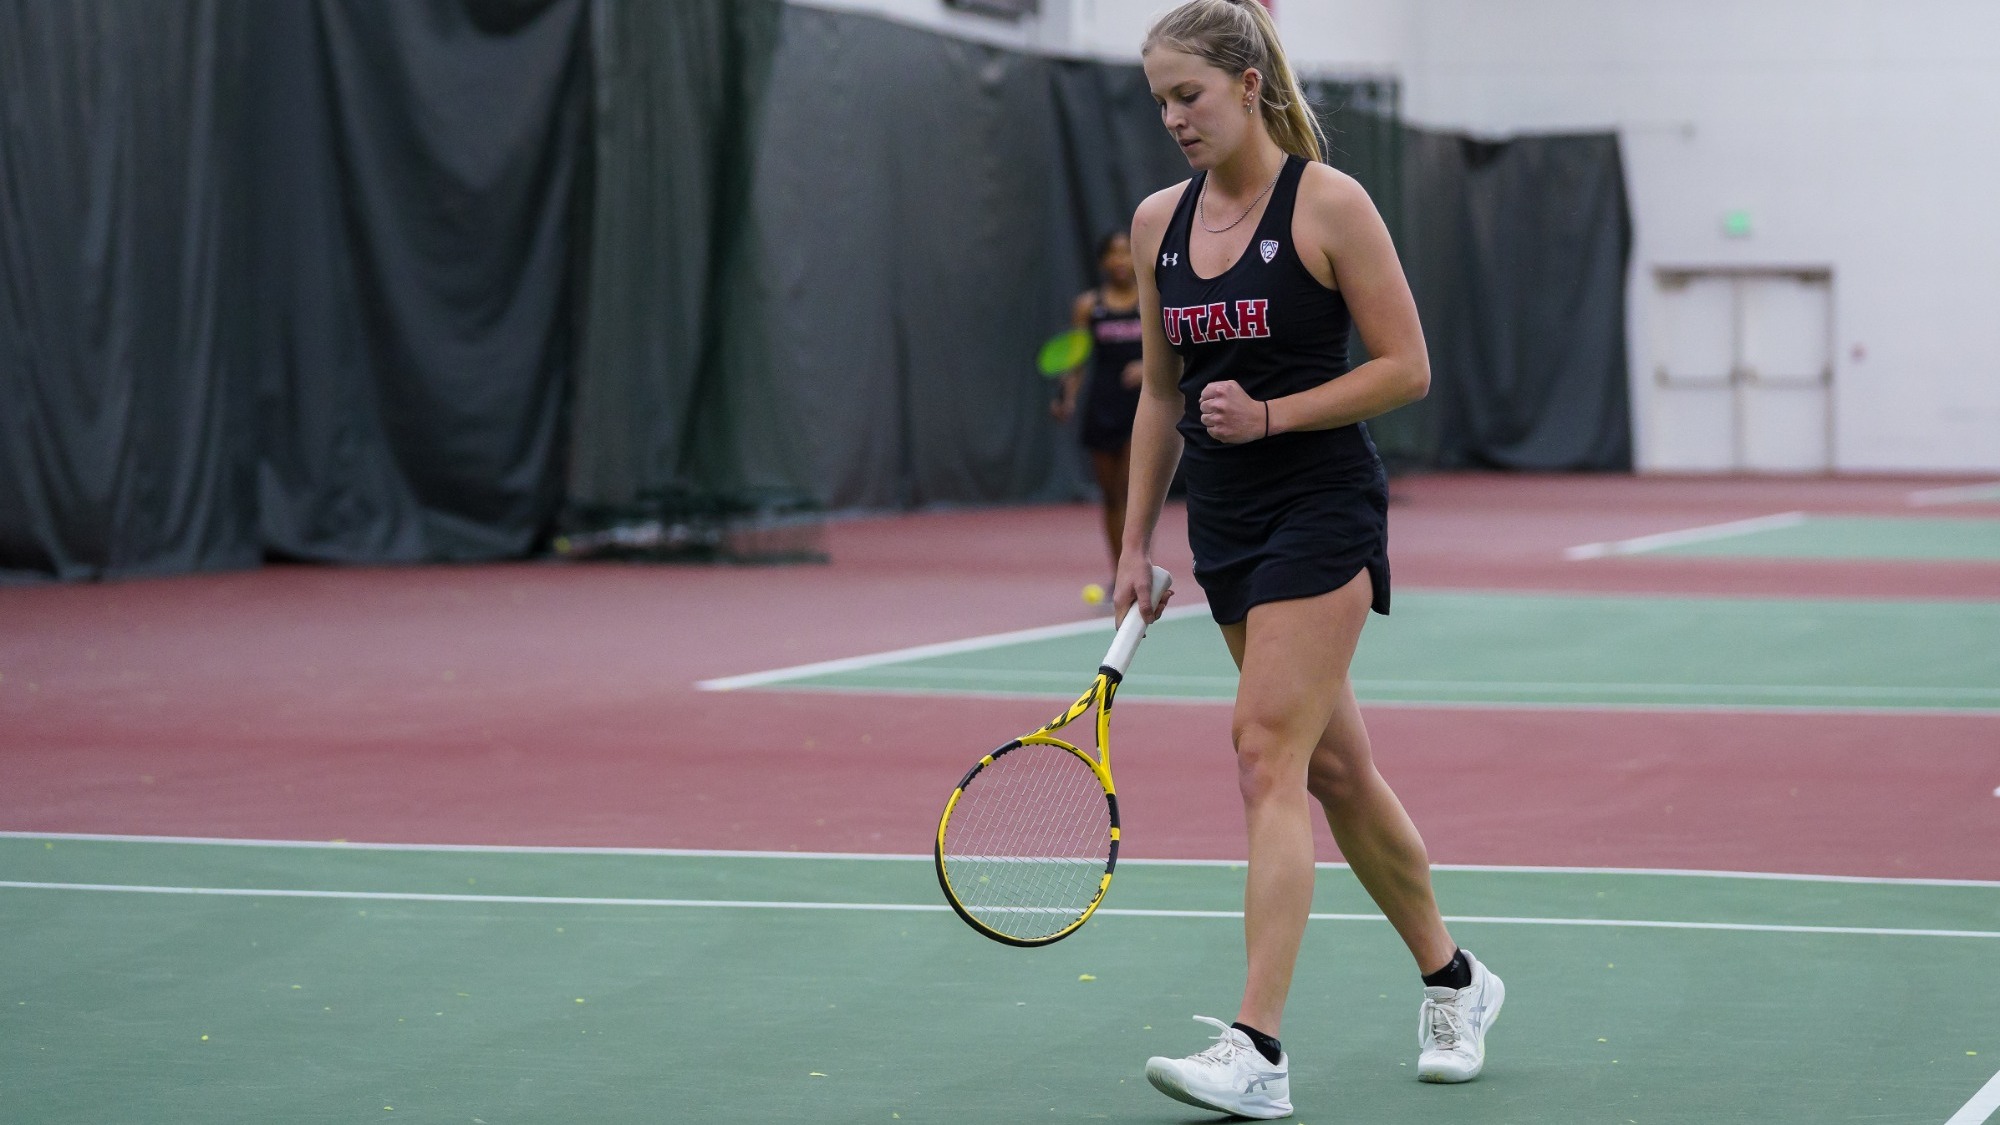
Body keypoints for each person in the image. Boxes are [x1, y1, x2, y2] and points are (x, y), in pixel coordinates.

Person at [1114, 1, 1503, 1118]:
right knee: (1332, 771)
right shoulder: (1155, 224)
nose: (1174, 119)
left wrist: (1276, 419)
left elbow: (1406, 367)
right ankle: (1455, 982)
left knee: (1259, 753)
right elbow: (1157, 392)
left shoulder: (1329, 204)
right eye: (1159, 103)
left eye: (1187, 95)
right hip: (1224, 520)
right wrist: (1133, 543)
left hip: (1320, 504)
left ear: (1245, 84)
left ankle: (1258, 1050)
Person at [1051, 231, 1147, 583]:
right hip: (1102, 406)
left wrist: (1146, 367)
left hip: (1142, 409)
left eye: (1126, 253)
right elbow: (1077, 360)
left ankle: (1137, 569)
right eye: (1113, 254)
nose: (1120, 261)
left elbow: (1172, 347)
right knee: (1110, 497)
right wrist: (1068, 396)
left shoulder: (1152, 298)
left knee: (1131, 495)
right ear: (1102, 262)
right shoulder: (1088, 306)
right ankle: (1119, 573)